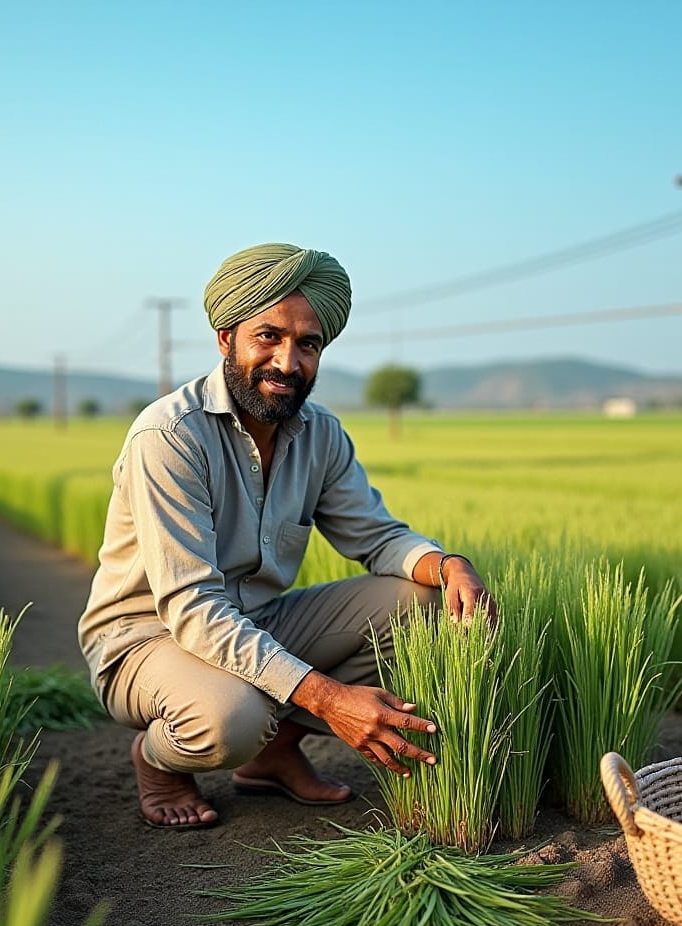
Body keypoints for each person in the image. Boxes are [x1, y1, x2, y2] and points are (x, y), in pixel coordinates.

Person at [78, 242, 494, 829]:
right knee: (231, 718)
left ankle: (273, 755)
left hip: (256, 621)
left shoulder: (320, 433)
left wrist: (450, 564)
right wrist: (327, 698)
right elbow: (193, 610)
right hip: (150, 636)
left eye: (307, 344)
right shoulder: (169, 437)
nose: (287, 362)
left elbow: (376, 536)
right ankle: (159, 761)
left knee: (425, 601)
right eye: (267, 337)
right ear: (227, 339)